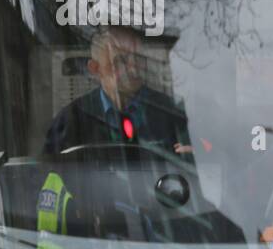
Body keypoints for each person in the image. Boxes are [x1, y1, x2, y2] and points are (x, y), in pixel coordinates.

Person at [42, 26, 192, 157]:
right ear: (95, 69)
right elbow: (48, 177)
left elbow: (195, 161)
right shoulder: (71, 120)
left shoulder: (169, 112)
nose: (133, 69)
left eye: (139, 58)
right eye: (121, 60)